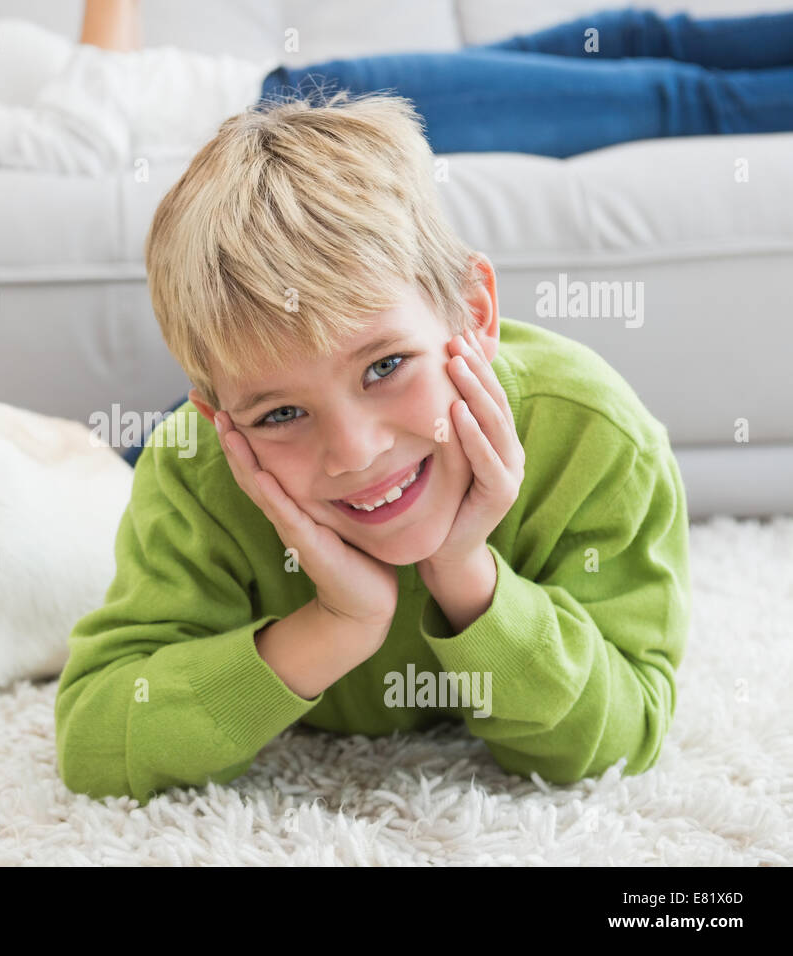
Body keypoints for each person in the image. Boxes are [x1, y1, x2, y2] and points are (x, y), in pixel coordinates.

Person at [55, 92, 691, 803]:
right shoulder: (196, 470)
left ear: (475, 314)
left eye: (385, 367)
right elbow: (97, 743)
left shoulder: (595, 435)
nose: (354, 452)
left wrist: (465, 574)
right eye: (282, 413)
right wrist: (335, 626)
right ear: (219, 421)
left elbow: (623, 738)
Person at [0, 1, 793, 174]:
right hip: (298, 118)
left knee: (644, 31)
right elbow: (68, 158)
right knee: (669, 96)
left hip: (298, 87)